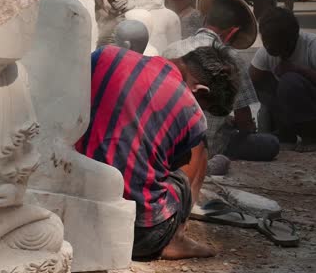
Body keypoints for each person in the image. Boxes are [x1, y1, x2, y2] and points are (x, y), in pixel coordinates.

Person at [76, 43, 240, 261]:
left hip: (71, 209)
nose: (200, 110)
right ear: (200, 91)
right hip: (139, 236)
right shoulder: (191, 111)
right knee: (199, 147)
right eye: (204, 105)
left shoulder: (106, 55)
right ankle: (175, 238)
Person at [163, 0, 280, 162]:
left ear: (204, 20)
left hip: (169, 143)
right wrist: (245, 127)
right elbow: (244, 120)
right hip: (210, 146)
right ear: (232, 33)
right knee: (271, 143)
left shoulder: (171, 50)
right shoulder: (232, 59)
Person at [250, 7, 316, 152]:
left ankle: (313, 137)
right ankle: (285, 134)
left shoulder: (315, 45)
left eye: (273, 42)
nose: (268, 46)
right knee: (262, 81)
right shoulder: (266, 52)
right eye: (265, 41)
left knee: (290, 81)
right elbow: (248, 83)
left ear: (291, 40)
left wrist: (298, 70)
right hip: (295, 118)